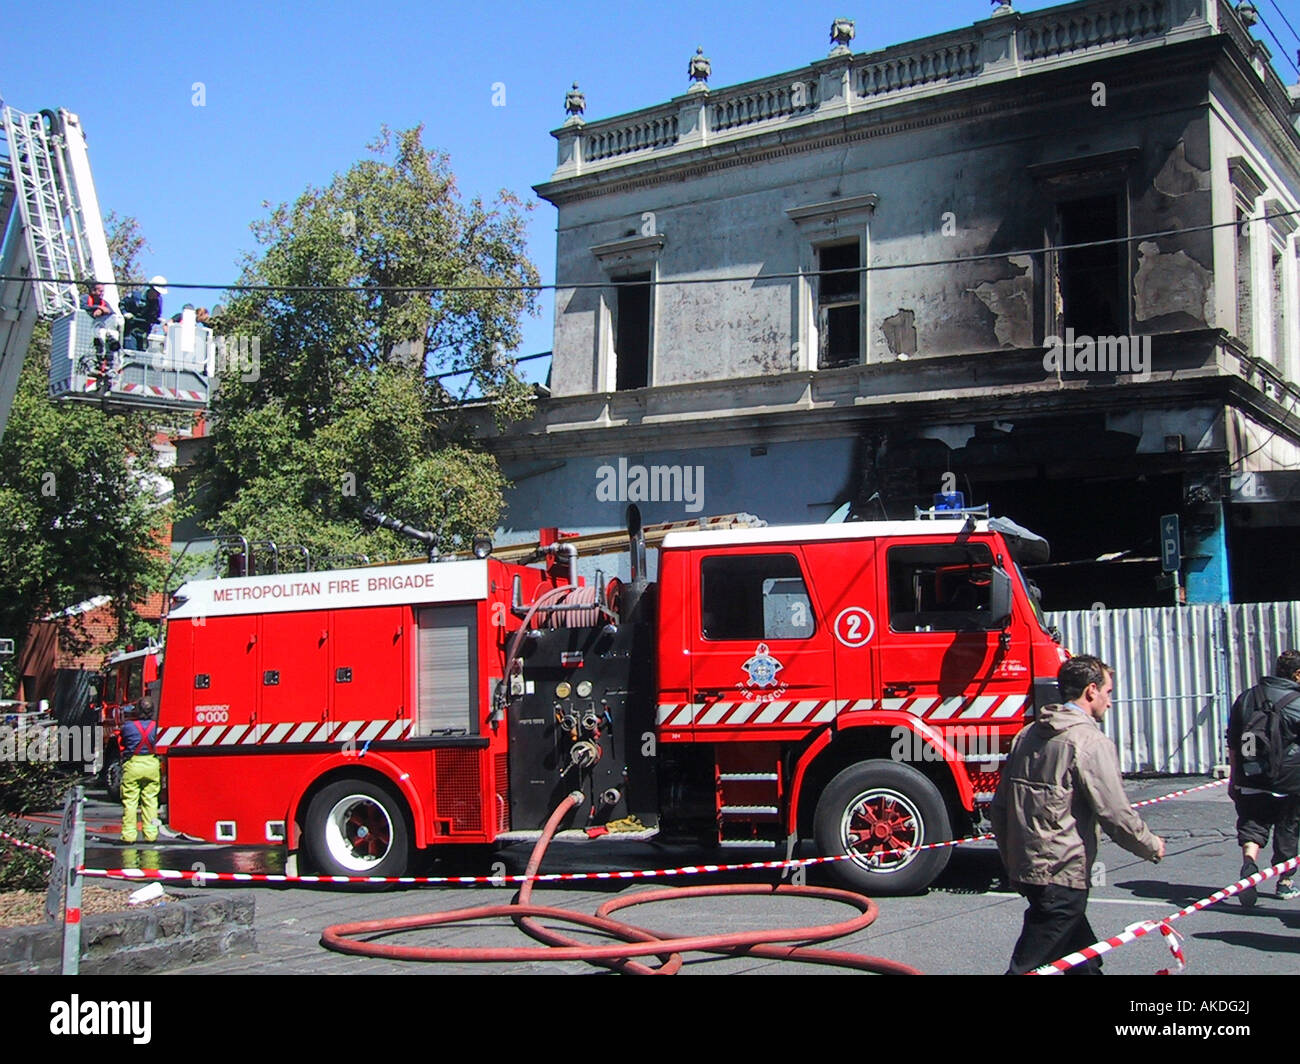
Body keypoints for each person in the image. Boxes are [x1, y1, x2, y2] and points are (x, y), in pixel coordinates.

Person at [990, 655, 1165, 974]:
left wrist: (1012, 862)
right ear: (1091, 691)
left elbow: (999, 808)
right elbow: (1114, 812)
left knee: (1082, 960)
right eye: (1109, 692)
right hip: (1062, 872)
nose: (1110, 702)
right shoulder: (1088, 742)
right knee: (1028, 967)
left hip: (1033, 869)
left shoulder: (1027, 734)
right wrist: (1150, 844)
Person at [1226, 649, 1300, 905]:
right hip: (1288, 780)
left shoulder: (1247, 697)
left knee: (1253, 823)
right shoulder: (1297, 701)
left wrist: (1235, 777)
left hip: (1249, 775)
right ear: (1297, 674)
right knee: (1288, 828)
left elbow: (1233, 740)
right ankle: (1285, 882)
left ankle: (1249, 864)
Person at [119, 695, 161, 844]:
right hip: (152, 764)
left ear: (137, 710)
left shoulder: (128, 727)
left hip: (133, 764)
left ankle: (129, 835)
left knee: (130, 801)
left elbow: (123, 743)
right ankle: (151, 834)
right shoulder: (156, 727)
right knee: (150, 800)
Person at [82, 281, 120, 364]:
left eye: (103, 291)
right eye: (100, 291)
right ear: (93, 291)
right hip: (85, 331)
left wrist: (101, 310)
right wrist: (99, 307)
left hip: (99, 329)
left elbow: (111, 313)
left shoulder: (104, 302)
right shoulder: (85, 298)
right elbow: (83, 306)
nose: (101, 293)